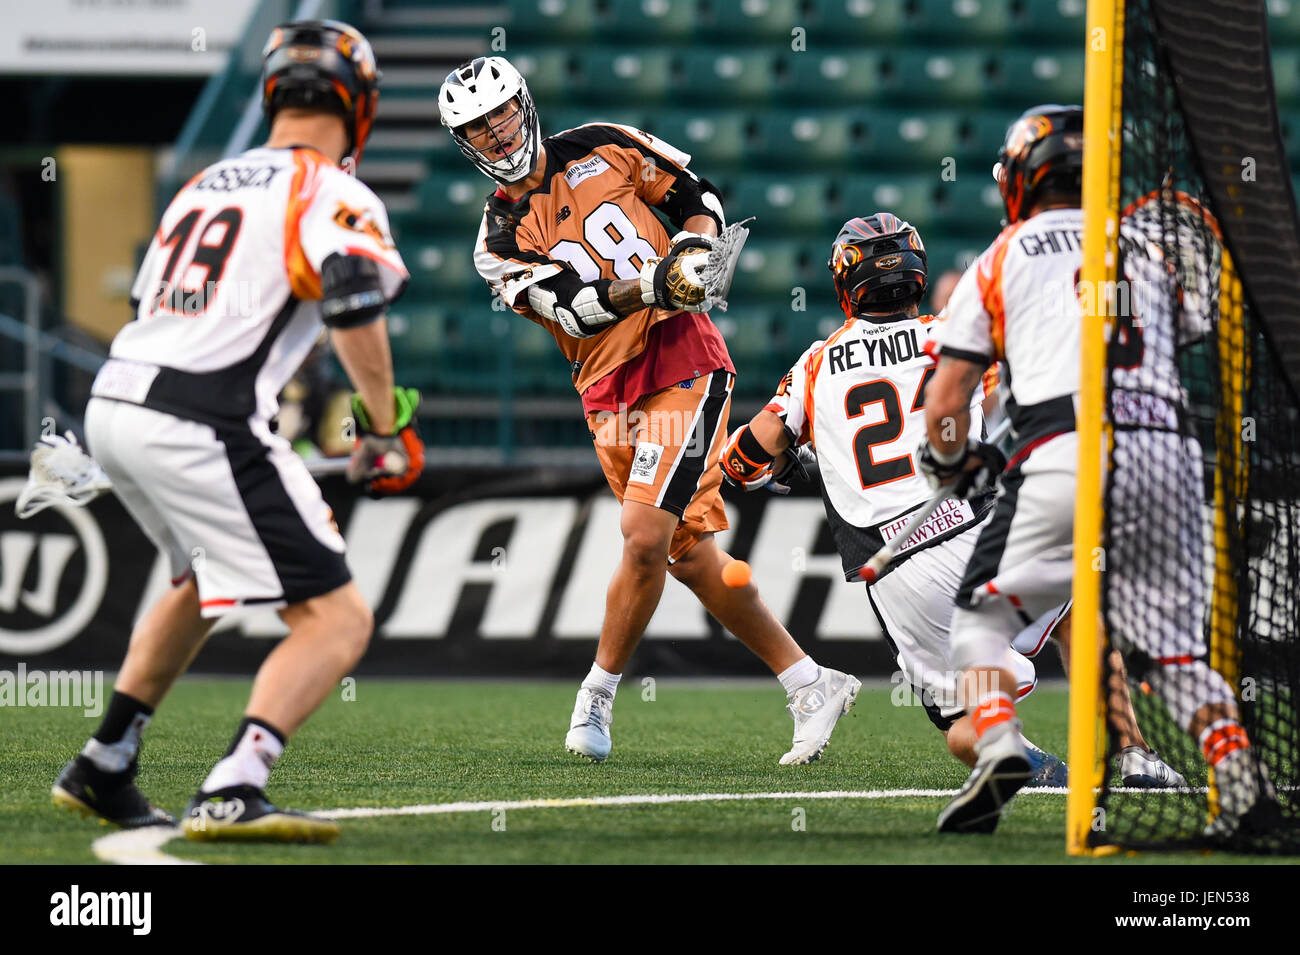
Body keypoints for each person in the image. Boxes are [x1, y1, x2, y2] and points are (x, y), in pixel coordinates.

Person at [51, 19, 423, 842]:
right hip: (202, 413)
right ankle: (234, 782)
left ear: (271, 96)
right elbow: (353, 295)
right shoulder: (331, 188)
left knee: (201, 583)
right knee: (337, 619)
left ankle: (105, 759)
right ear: (358, 107)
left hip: (117, 398)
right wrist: (382, 421)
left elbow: (153, 302)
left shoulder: (205, 179)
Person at [440, 56, 858, 764]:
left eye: (502, 113)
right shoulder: (498, 239)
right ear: (466, 145)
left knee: (641, 534)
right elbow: (572, 308)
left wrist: (695, 249)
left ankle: (595, 696)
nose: (497, 133)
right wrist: (656, 282)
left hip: (682, 356)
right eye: (478, 128)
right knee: (685, 554)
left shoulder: (601, 141)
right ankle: (810, 681)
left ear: (526, 106)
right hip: (605, 386)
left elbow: (698, 192)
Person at [921, 104, 1273, 836]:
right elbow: (1191, 329)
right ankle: (1238, 778)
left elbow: (946, 400)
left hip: (1066, 451)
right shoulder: (1142, 245)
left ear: (1022, 177)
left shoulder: (1000, 257)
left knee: (982, 620)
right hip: (1171, 458)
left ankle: (998, 743)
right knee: (1174, 646)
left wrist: (954, 463)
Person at [718, 213, 1068, 782]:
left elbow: (741, 460)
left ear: (843, 285)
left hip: (896, 578)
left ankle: (1035, 767)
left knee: (959, 723)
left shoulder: (814, 363)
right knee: (1089, 596)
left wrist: (790, 465)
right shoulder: (953, 333)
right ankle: (1134, 753)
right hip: (972, 535)